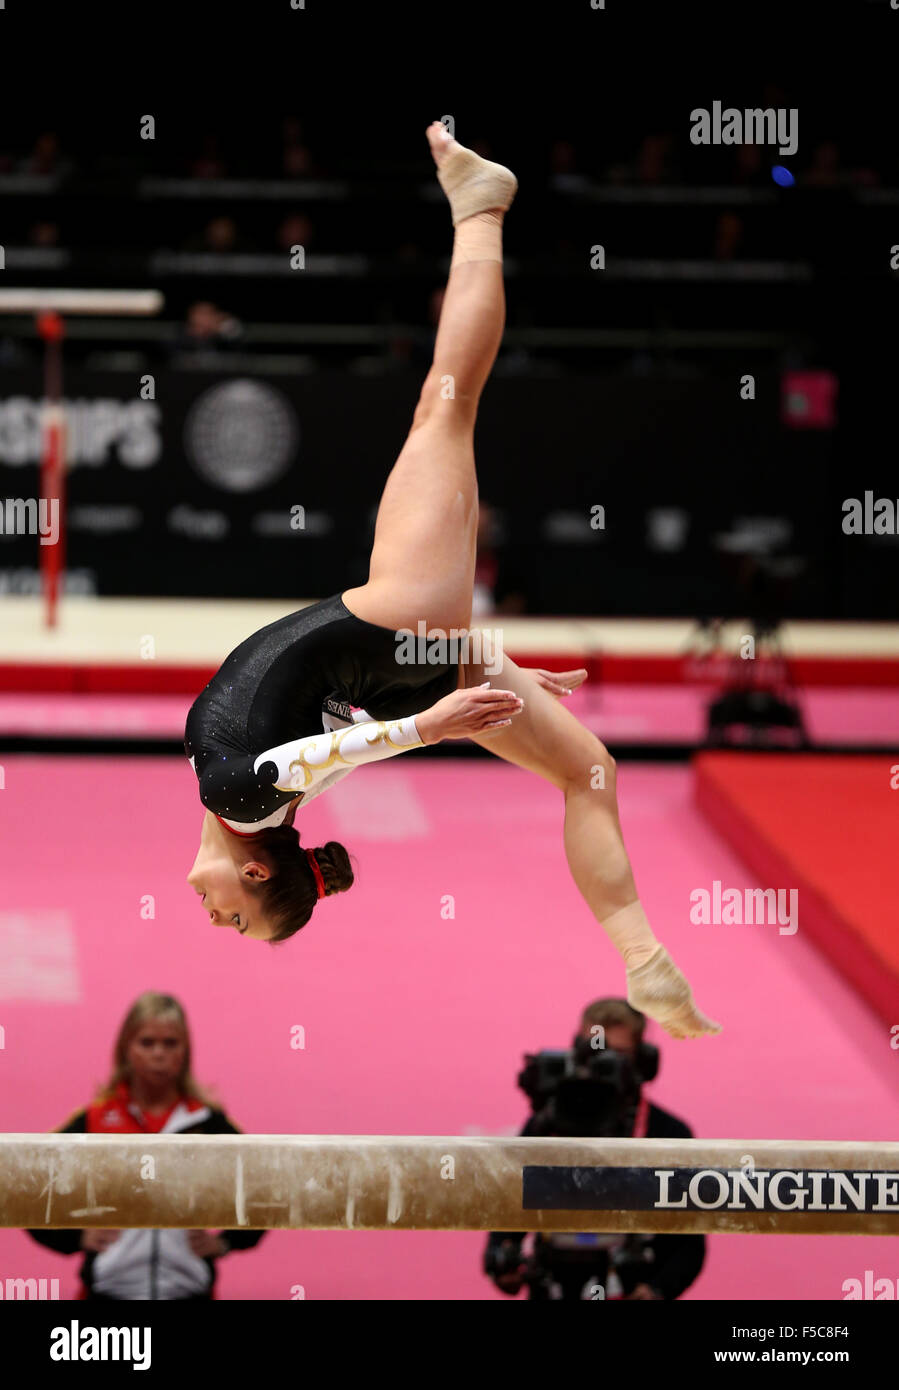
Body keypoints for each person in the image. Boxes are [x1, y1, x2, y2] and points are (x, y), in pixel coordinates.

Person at [184, 121, 719, 1041]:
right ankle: (481, 208)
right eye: (234, 915)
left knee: (589, 770)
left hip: (416, 646)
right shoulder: (243, 797)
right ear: (259, 873)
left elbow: (330, 710)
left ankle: (642, 960)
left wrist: (471, 661)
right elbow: (324, 750)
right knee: (446, 398)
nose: (212, 914)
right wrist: (432, 716)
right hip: (405, 619)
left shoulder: (244, 795)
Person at [25, 992, 264, 1299]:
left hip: (189, 1290)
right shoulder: (96, 1121)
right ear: (126, 1048)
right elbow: (26, 1185)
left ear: (185, 1052)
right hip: (108, 1293)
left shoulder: (207, 1125)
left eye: (170, 1043)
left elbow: (265, 1191)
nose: (159, 1054)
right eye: (147, 1042)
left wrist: (226, 1242)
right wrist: (74, 1237)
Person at [484, 999, 706, 1300]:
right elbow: (506, 1213)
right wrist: (503, 1258)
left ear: (643, 1062)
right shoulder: (547, 1126)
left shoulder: (669, 1135)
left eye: (617, 1057)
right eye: (595, 1052)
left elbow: (690, 1244)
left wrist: (657, 1289)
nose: (603, 1066)